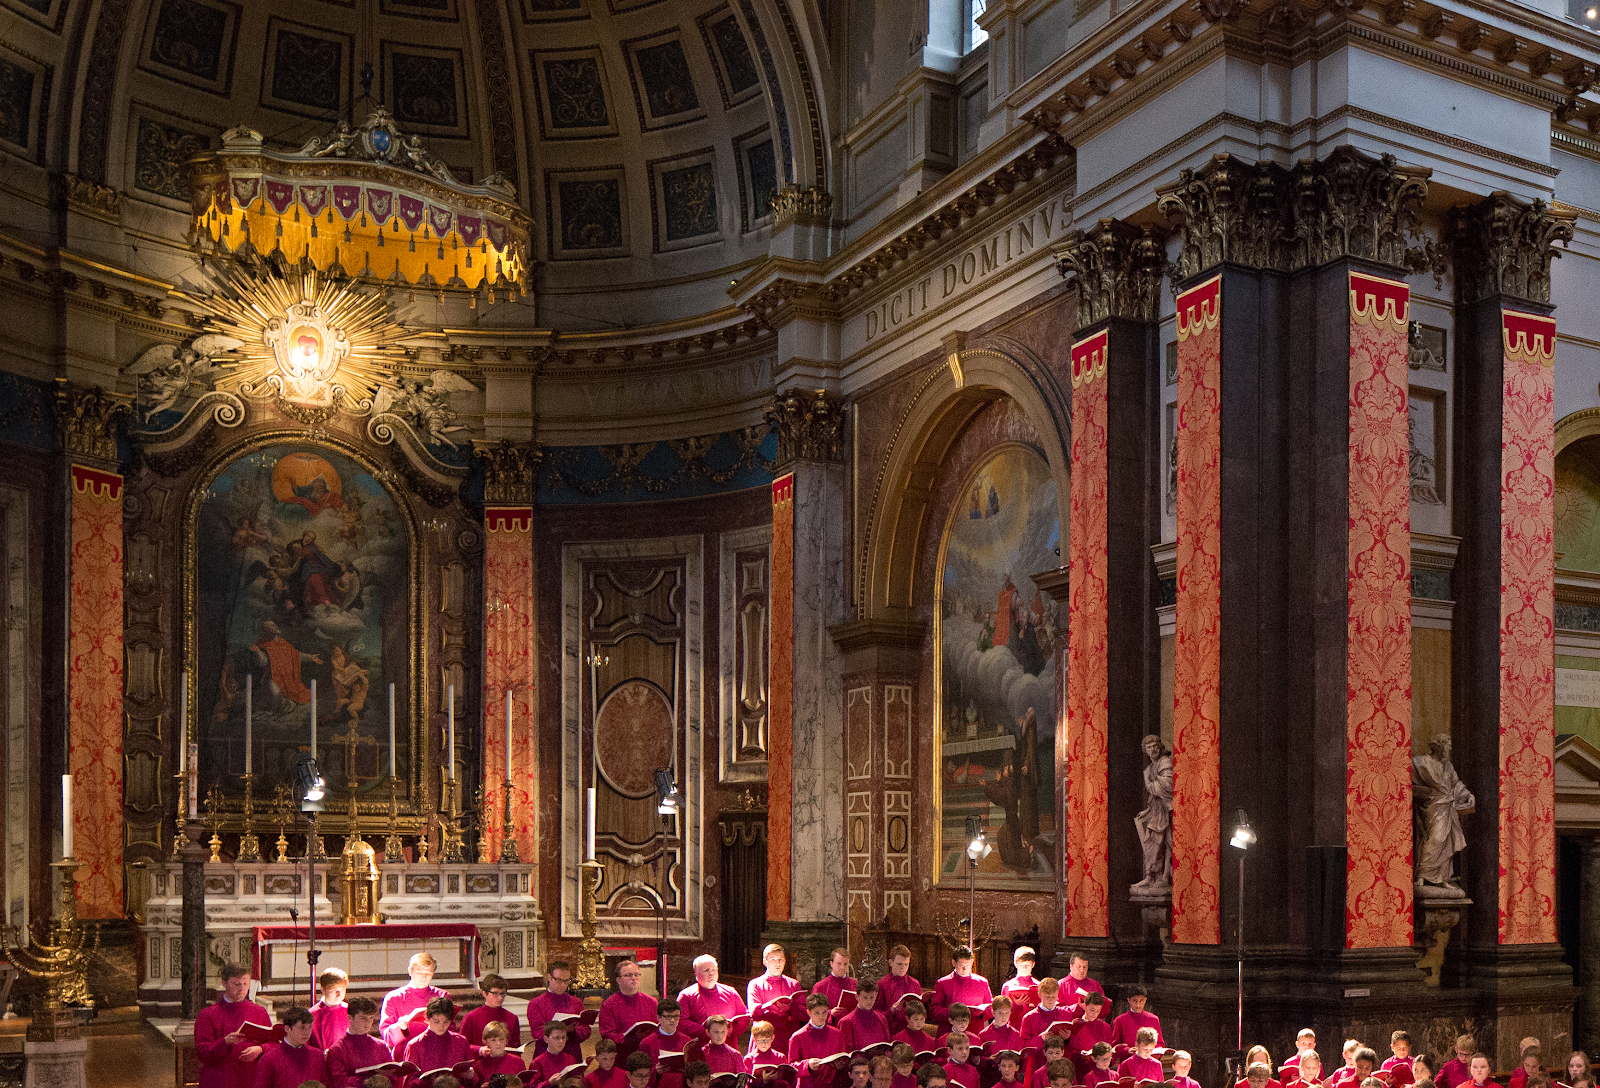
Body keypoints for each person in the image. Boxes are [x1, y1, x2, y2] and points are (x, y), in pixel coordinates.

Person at [196, 962, 273, 1088]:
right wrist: (225, 1042)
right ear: (224, 983)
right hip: (220, 1078)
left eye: (246, 983)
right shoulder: (208, 1014)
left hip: (251, 1076)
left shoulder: (259, 1011)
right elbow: (202, 1052)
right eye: (237, 984)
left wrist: (260, 1049)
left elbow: (273, 1043)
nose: (242, 988)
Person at [380, 954, 449, 1051]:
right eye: (419, 972)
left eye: (428, 973)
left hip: (435, 1050)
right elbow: (386, 1035)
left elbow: (450, 1030)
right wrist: (401, 1026)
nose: (424, 977)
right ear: (410, 971)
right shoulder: (394, 997)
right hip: (405, 1052)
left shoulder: (442, 996)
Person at [399, 998, 472, 1088]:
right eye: (436, 1022)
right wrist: (429, 1081)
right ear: (427, 1018)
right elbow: (409, 1082)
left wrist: (470, 1076)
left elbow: (470, 1077)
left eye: (446, 1022)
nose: (441, 1026)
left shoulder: (461, 1041)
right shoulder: (415, 1045)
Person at [529, 961, 593, 1055]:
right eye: (559, 980)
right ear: (549, 977)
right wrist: (562, 1031)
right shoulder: (536, 1003)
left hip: (572, 1053)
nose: (563, 985)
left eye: (566, 981)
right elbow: (537, 1033)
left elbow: (586, 1030)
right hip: (546, 1055)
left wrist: (574, 1031)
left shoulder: (576, 1002)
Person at [325, 997, 392, 1088]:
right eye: (363, 1018)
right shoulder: (336, 1050)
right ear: (350, 1017)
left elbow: (392, 1075)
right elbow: (339, 1082)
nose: (368, 1022)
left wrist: (384, 1080)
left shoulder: (381, 1046)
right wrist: (367, 1081)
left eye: (371, 1018)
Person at [254, 1005, 327, 1088]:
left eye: (309, 1027)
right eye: (302, 1028)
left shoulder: (317, 1056)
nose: (307, 1032)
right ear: (287, 1029)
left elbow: (325, 1084)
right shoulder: (269, 1059)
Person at [679, 956, 750, 1040]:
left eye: (714, 969)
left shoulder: (730, 992)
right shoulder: (687, 995)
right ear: (696, 974)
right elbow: (681, 1022)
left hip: (728, 1043)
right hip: (700, 1043)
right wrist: (708, 1032)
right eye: (706, 970)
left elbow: (744, 1016)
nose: (711, 973)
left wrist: (730, 1031)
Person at [789, 993, 848, 1088]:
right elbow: (791, 1068)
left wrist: (841, 1064)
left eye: (824, 1012)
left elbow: (844, 1059)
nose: (821, 1016)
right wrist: (807, 1065)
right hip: (808, 1084)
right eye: (817, 1013)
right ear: (809, 1012)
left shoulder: (837, 1034)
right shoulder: (797, 1036)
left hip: (832, 1084)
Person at [602, 961, 663, 1053]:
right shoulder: (609, 1004)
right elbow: (607, 1035)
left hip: (648, 1052)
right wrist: (632, 1038)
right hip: (623, 1052)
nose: (633, 978)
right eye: (628, 975)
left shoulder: (651, 1002)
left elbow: (659, 1027)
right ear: (619, 980)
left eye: (636, 974)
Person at [750, 945, 806, 1044]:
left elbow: (805, 1012)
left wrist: (791, 1008)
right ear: (765, 962)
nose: (778, 963)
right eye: (773, 960)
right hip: (764, 1037)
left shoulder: (793, 984)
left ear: (785, 961)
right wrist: (779, 1012)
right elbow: (755, 1013)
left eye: (780, 959)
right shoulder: (755, 984)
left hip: (789, 1036)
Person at [931, 950, 993, 1029]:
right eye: (961, 965)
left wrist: (980, 1012)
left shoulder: (982, 982)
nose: (965, 968)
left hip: (974, 1028)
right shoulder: (943, 983)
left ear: (972, 962)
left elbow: (991, 1007)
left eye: (968, 965)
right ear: (954, 963)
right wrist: (954, 1013)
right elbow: (934, 1010)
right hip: (950, 1029)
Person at [640, 1001, 694, 1088]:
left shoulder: (687, 1041)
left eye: (676, 1016)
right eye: (668, 1016)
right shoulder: (647, 1043)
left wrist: (688, 1070)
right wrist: (655, 1071)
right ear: (659, 1017)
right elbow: (639, 1075)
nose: (673, 1020)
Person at [463, 974, 522, 1049]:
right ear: (485, 993)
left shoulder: (512, 1018)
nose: (500, 998)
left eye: (502, 993)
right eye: (495, 994)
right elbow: (462, 1046)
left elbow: (516, 1048)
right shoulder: (471, 1018)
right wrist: (479, 1050)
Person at [878, 946, 924, 1034]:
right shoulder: (882, 984)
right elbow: (876, 1013)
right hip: (891, 1030)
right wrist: (891, 1011)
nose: (903, 967)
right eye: (899, 964)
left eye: (906, 964)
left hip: (912, 1029)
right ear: (890, 962)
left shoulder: (914, 983)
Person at [531, 1022, 589, 1087]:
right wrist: (549, 1082)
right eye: (557, 1037)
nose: (561, 1041)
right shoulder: (538, 1062)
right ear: (546, 1039)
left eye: (563, 1038)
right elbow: (533, 1086)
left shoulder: (570, 1058)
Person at [1067, 995, 1112, 1078]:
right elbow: (1071, 1048)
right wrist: (1081, 1054)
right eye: (1092, 1010)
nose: (1094, 1014)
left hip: (1099, 1070)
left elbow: (1109, 1049)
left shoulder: (1105, 1027)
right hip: (1079, 1068)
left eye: (1098, 1011)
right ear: (1084, 1006)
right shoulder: (1077, 1024)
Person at [840, 980, 890, 1052]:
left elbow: (887, 1046)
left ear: (876, 995)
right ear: (857, 997)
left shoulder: (881, 1019)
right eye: (865, 998)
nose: (869, 1001)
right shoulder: (847, 1022)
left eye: (872, 997)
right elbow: (847, 1052)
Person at [813, 949, 860, 1021]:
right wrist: (830, 1012)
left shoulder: (856, 984)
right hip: (830, 1025)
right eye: (839, 964)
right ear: (831, 963)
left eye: (845, 964)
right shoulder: (820, 986)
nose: (842, 967)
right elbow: (813, 1012)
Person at [1020, 980, 1070, 1045]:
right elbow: (1023, 1045)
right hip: (1039, 1051)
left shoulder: (1065, 1014)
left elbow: (1075, 1044)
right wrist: (1041, 1039)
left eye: (1053, 996)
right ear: (1039, 995)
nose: (1051, 1000)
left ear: (1057, 994)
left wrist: (1068, 1038)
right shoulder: (1029, 1017)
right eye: (1047, 997)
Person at [311, 970, 351, 1050]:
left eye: (342, 990)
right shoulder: (312, 1014)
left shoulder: (350, 1011)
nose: (339, 995)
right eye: (334, 991)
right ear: (323, 989)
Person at [1001, 950, 1040, 1020]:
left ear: (1033, 964)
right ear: (1016, 964)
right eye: (1021, 965)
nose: (1024, 968)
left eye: (1027, 965)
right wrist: (1016, 1005)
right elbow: (1002, 1012)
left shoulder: (1039, 985)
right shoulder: (1008, 986)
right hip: (1015, 1023)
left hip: (1033, 1023)